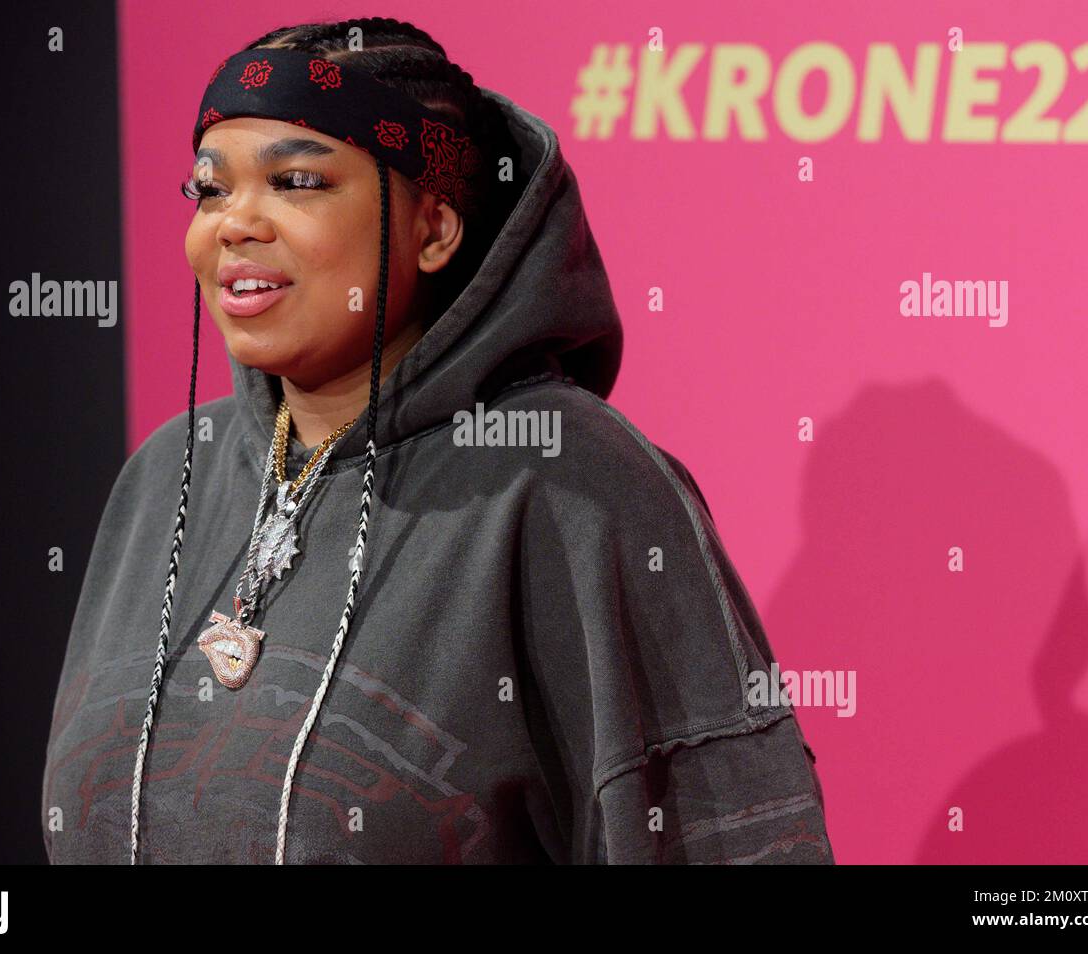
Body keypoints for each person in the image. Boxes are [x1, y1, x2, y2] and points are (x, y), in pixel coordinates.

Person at [43, 16, 834, 864]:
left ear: (432, 229)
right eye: (209, 189)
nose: (233, 223)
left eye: (297, 181)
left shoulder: (574, 482)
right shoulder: (165, 477)